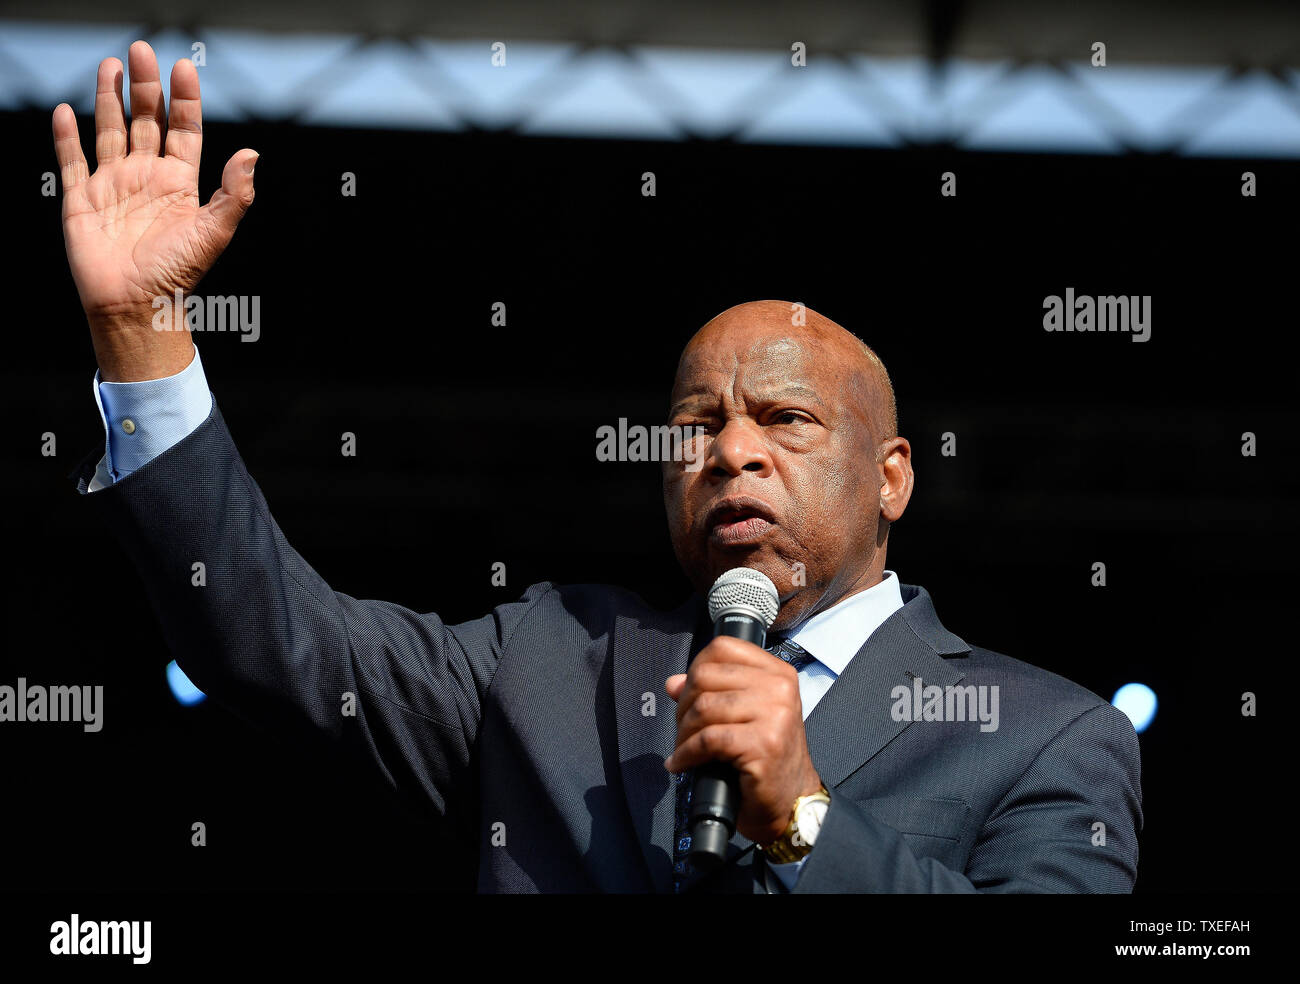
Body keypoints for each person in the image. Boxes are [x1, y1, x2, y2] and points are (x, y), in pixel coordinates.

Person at [52, 41, 1142, 893]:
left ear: (892, 477)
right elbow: (269, 640)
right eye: (694, 424)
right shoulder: (549, 658)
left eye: (786, 419)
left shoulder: (1048, 734)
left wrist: (803, 817)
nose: (731, 451)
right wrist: (140, 337)